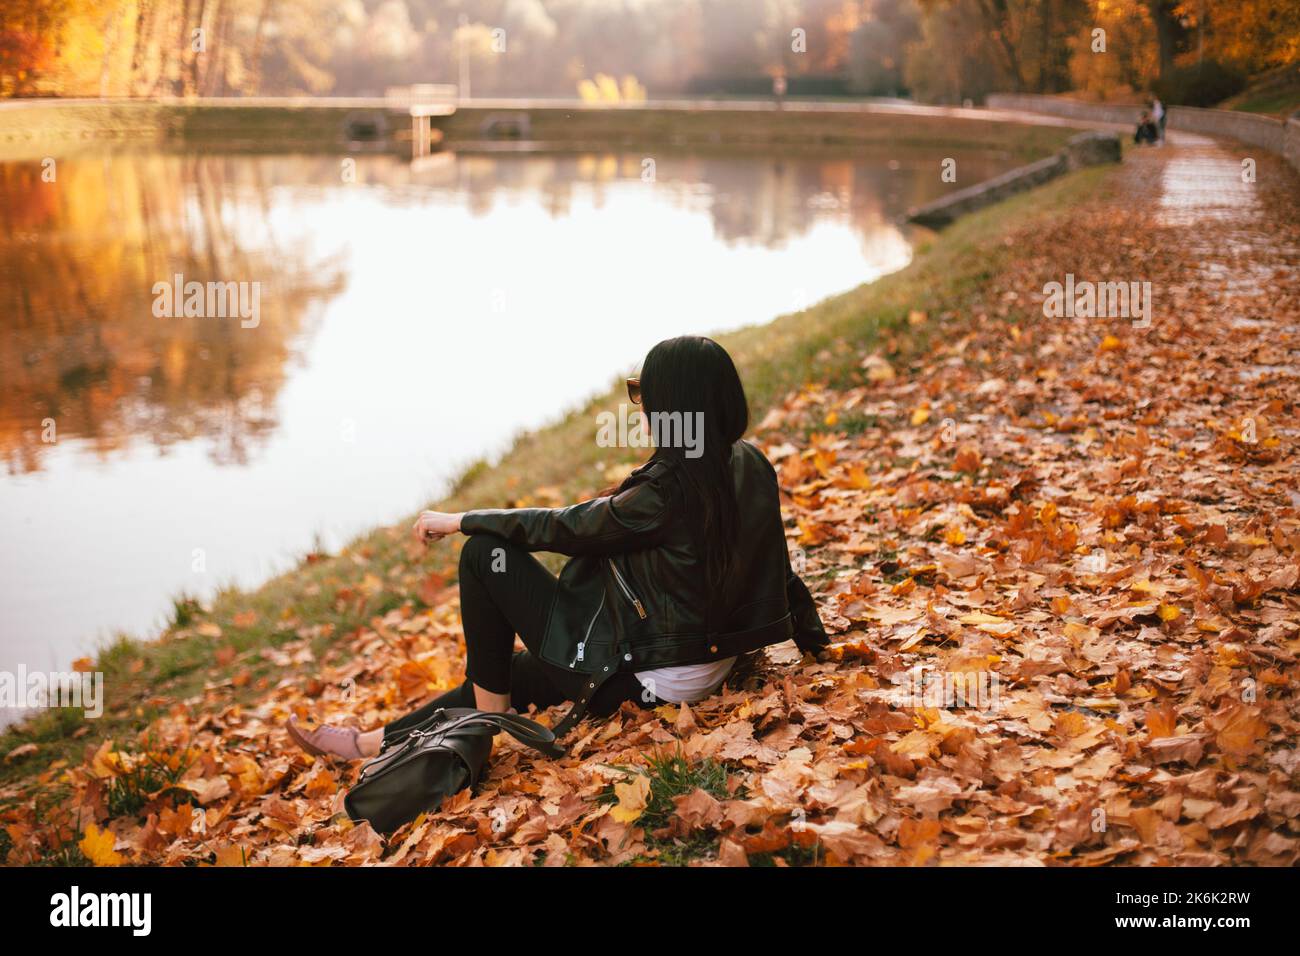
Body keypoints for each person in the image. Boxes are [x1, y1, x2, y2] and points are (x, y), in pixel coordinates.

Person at [287, 335, 829, 761]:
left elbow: (563, 527)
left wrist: (462, 521)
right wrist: (813, 641)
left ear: (673, 407)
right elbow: (776, 563)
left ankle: (481, 732)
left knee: (483, 556)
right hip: (704, 657)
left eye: (645, 395)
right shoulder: (748, 461)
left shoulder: (666, 491)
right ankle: (371, 741)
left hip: (659, 681)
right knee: (510, 671)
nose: (639, 406)